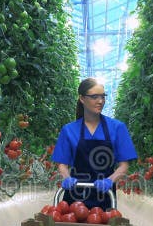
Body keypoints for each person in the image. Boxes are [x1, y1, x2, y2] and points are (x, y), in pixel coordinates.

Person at [51, 78, 137, 210]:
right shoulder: (69, 130)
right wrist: (67, 178)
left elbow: (124, 165)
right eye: (94, 97)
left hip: (105, 197)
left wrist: (110, 180)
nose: (100, 101)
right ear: (82, 99)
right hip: (74, 197)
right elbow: (62, 164)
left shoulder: (118, 128)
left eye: (103, 96)